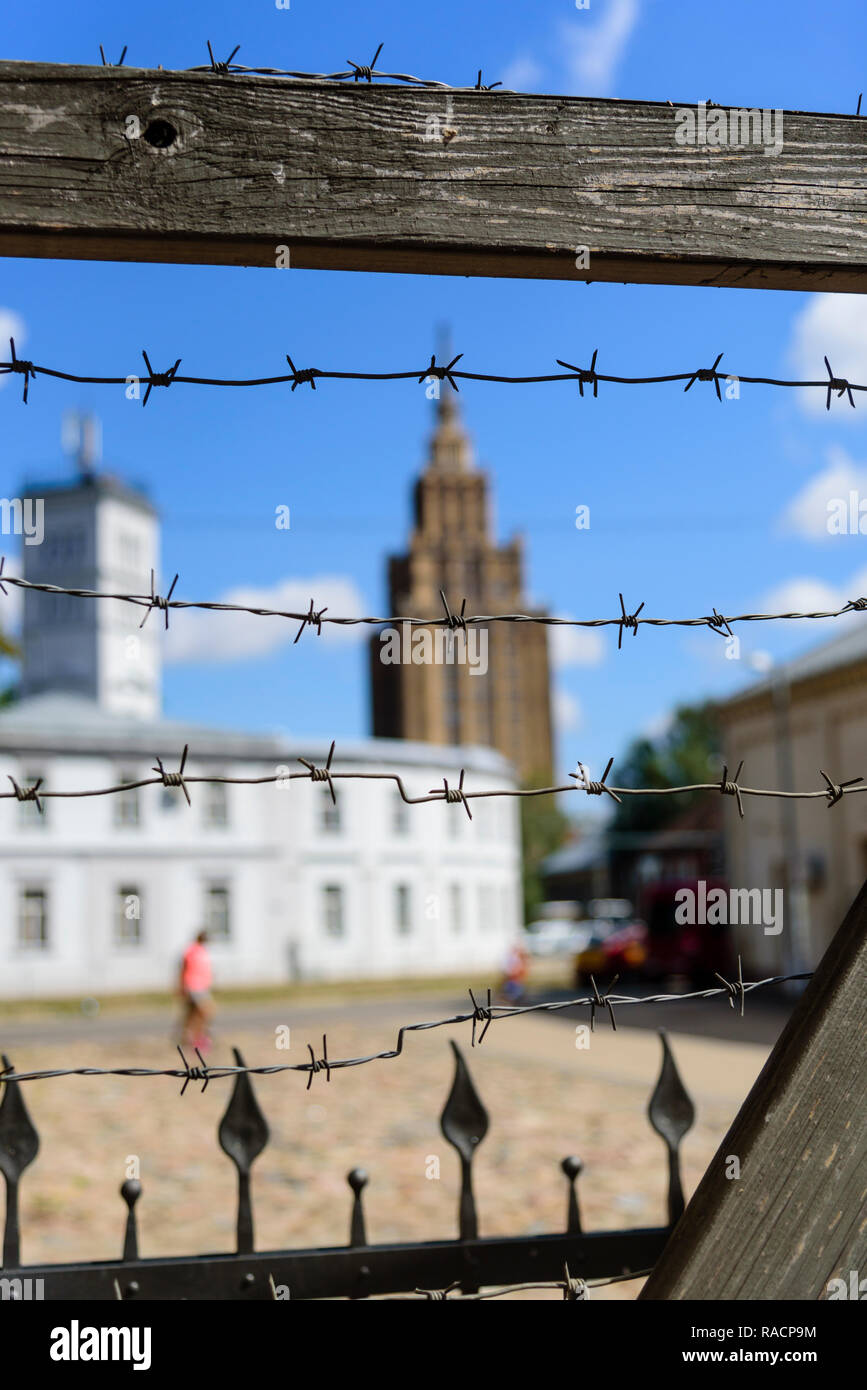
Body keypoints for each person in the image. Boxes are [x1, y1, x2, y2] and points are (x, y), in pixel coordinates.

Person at [178, 929, 214, 1053]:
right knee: (205, 1012)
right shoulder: (191, 951)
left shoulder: (203, 950)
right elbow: (183, 968)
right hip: (193, 986)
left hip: (202, 986)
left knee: (192, 1014)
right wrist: (181, 985)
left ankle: (189, 1038)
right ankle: (197, 1038)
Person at [499, 939, 529, 1005]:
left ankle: (514, 1000)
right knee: (512, 989)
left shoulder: (519, 957)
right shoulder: (513, 957)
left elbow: (521, 968)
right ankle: (511, 999)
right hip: (512, 977)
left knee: (515, 990)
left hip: (515, 977)